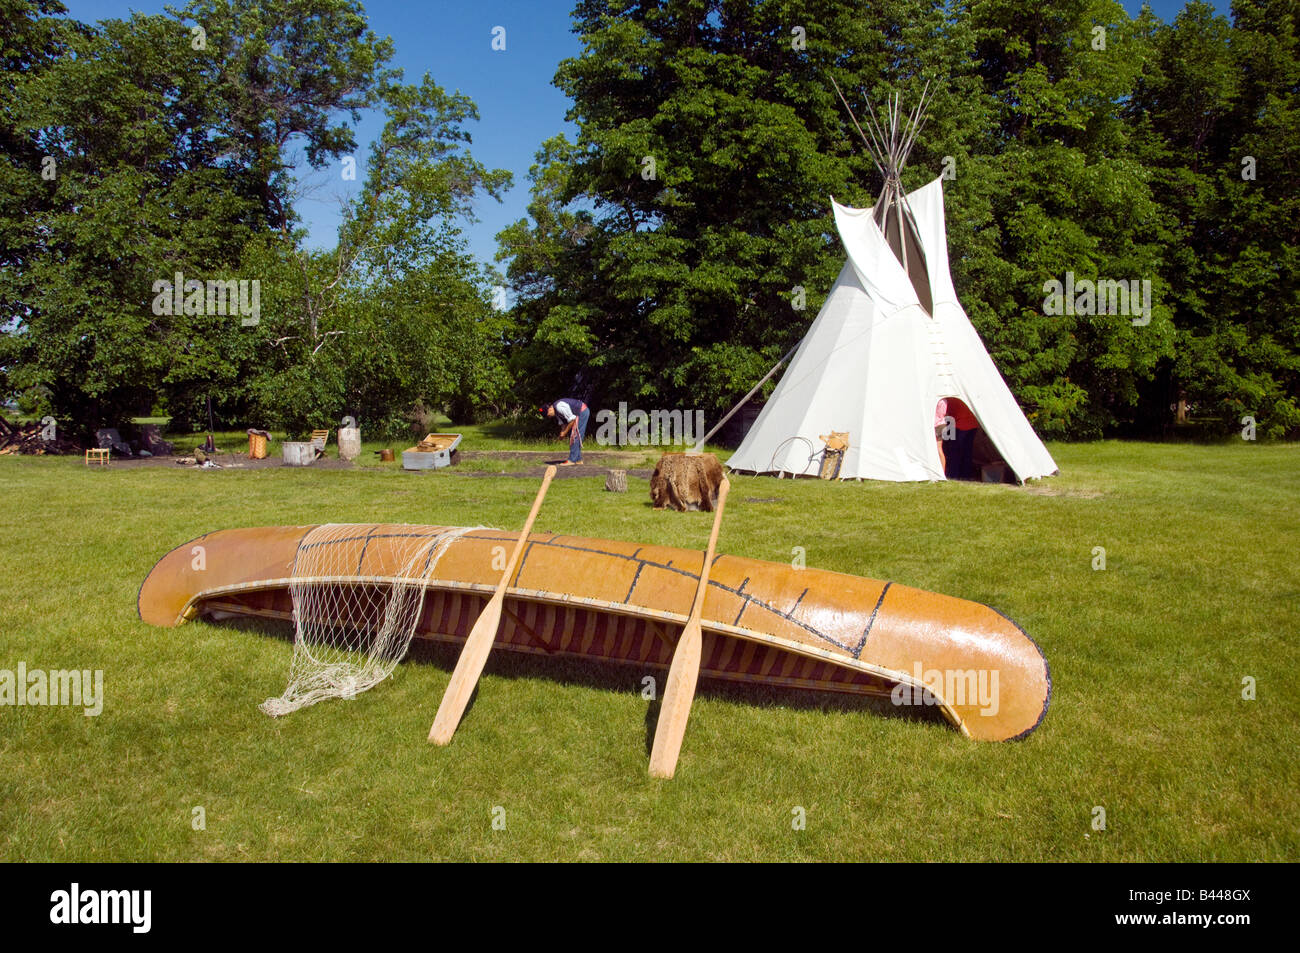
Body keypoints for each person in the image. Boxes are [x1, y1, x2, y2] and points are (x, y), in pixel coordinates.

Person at [542, 398, 589, 466]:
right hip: (578, 413)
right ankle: (578, 459)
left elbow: (572, 419)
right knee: (574, 435)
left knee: (575, 435)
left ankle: (572, 460)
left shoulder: (559, 407)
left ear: (549, 409)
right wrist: (562, 433)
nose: (549, 417)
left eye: (548, 415)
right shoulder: (557, 412)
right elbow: (563, 423)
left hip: (581, 411)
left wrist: (565, 432)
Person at [945, 397, 978, 480]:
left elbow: (949, 414)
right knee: (967, 451)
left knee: (954, 452)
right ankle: (965, 475)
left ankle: (953, 475)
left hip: (958, 426)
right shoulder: (965, 396)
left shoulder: (951, 399)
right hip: (972, 424)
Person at [934, 398, 948, 475]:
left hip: (936, 425)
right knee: (939, 448)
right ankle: (942, 472)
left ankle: (941, 472)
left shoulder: (937, 400)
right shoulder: (944, 400)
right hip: (942, 424)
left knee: (938, 449)